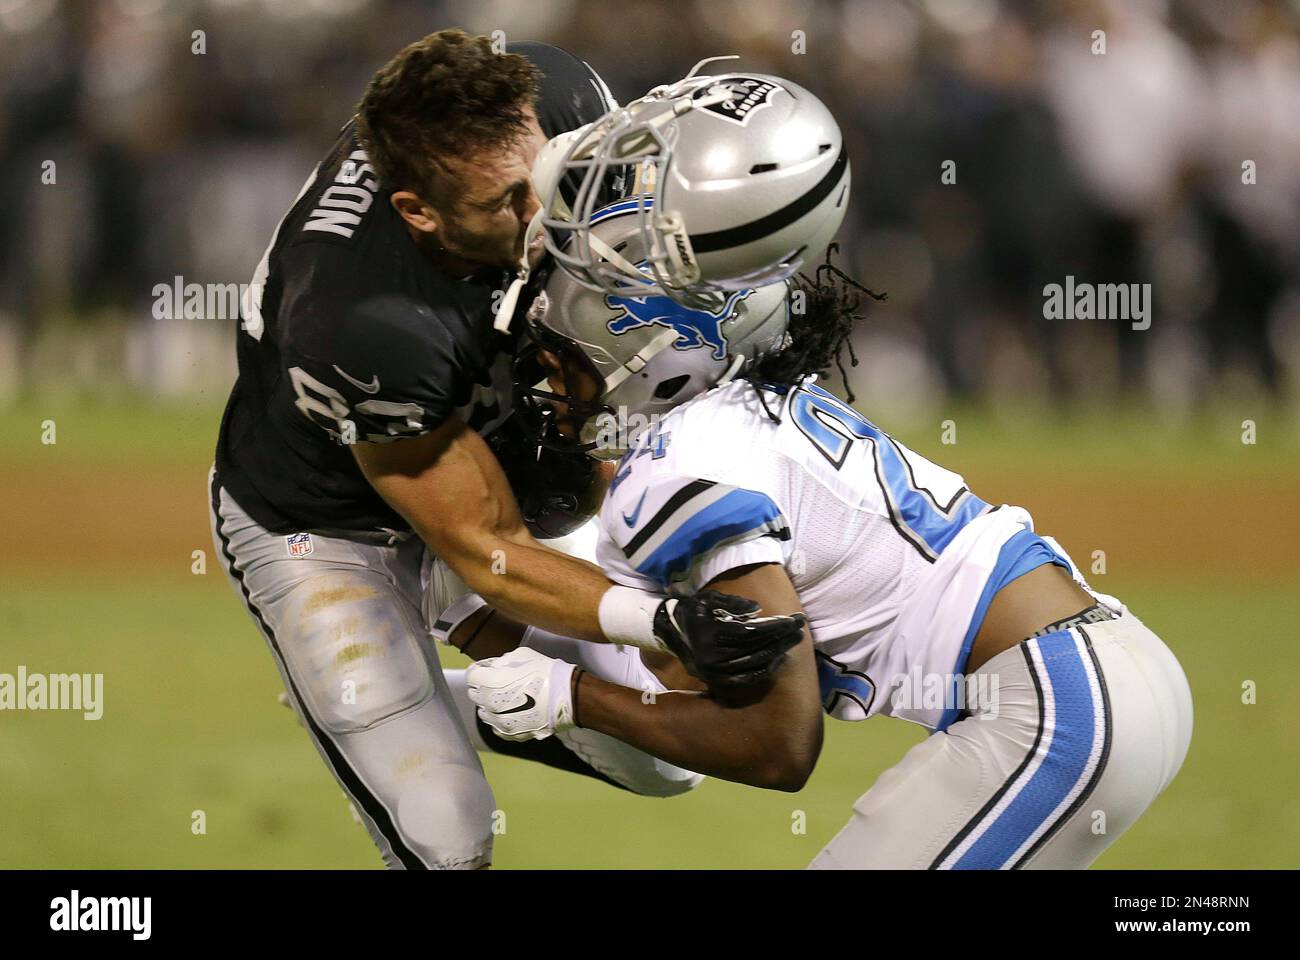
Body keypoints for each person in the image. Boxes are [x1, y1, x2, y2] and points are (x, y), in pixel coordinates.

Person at [208, 30, 802, 870]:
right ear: (418, 211)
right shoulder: (363, 315)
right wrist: (662, 617)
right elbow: (487, 549)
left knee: (669, 757)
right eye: (506, 206)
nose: (542, 223)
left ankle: (431, 700)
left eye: (545, 182)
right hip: (330, 520)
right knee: (446, 834)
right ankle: (377, 709)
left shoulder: (559, 102)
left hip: (492, 452)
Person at [463, 211, 1195, 869]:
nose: (547, 379)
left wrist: (570, 697)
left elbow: (780, 745)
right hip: (1099, 669)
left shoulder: (675, 464)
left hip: (1055, 705)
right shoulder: (738, 412)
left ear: (648, 351)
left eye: (564, 356)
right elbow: (690, 682)